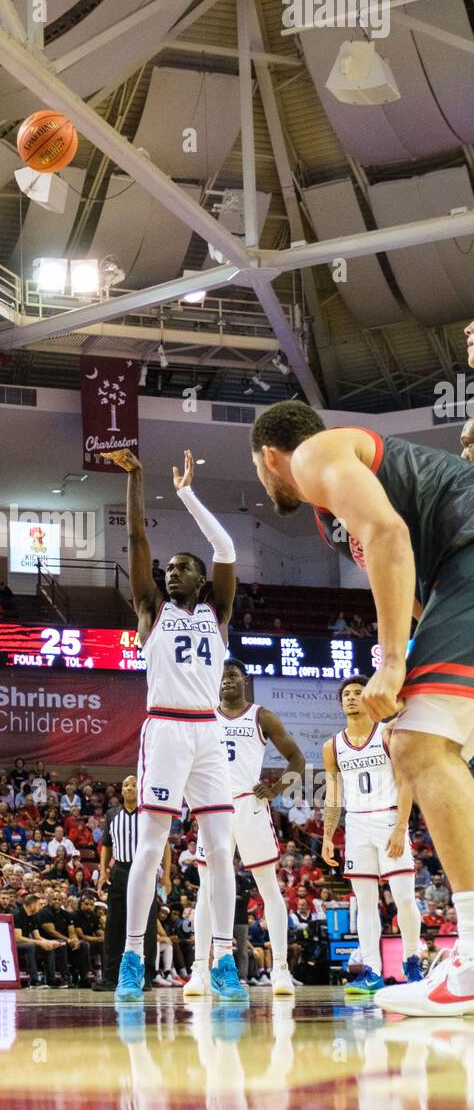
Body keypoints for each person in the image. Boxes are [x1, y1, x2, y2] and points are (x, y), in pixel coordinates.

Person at [251, 396, 474, 1017]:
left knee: (420, 744)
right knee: (444, 747)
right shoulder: (331, 514)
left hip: (470, 559)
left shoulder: (316, 453)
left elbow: (388, 534)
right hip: (455, 581)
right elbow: (414, 590)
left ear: (270, 456)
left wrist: (393, 661)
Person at [101, 445, 243, 1002]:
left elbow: (226, 546)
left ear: (202, 579)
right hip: (163, 729)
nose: (171, 571)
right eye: (170, 568)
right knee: (151, 844)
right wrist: (136, 478)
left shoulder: (219, 611)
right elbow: (138, 541)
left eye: (183, 567)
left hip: (208, 732)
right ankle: (133, 955)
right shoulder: (148, 608)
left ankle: (224, 958)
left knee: (221, 845)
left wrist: (185, 494)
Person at [186, 659, 305, 997]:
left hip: (250, 805)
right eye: (222, 676)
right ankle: (200, 971)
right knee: (206, 887)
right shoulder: (205, 715)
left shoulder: (262, 716)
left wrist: (276, 789)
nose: (226, 681)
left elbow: (297, 759)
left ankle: (280, 968)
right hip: (214, 808)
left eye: (233, 675)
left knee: (268, 886)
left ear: (245, 680)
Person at [321, 676, 422, 996]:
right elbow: (333, 795)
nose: (351, 698)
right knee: (363, 904)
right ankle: (371, 970)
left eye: (357, 693)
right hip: (357, 826)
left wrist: (401, 826)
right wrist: (327, 836)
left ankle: (412, 961)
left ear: (368, 699)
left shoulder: (388, 733)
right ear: (341, 703)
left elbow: (406, 782)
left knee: (404, 898)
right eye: (346, 694)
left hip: (390, 817)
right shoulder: (332, 746)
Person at [94, 773, 169, 992]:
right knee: (114, 925)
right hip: (119, 871)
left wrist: (165, 876)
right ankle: (111, 976)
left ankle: (145, 976)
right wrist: (103, 872)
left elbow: (164, 845)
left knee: (146, 925)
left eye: (133, 785)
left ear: (141, 788)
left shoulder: (149, 814)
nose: (128, 788)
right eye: (125, 785)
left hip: (145, 870)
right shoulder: (112, 814)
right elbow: (106, 846)